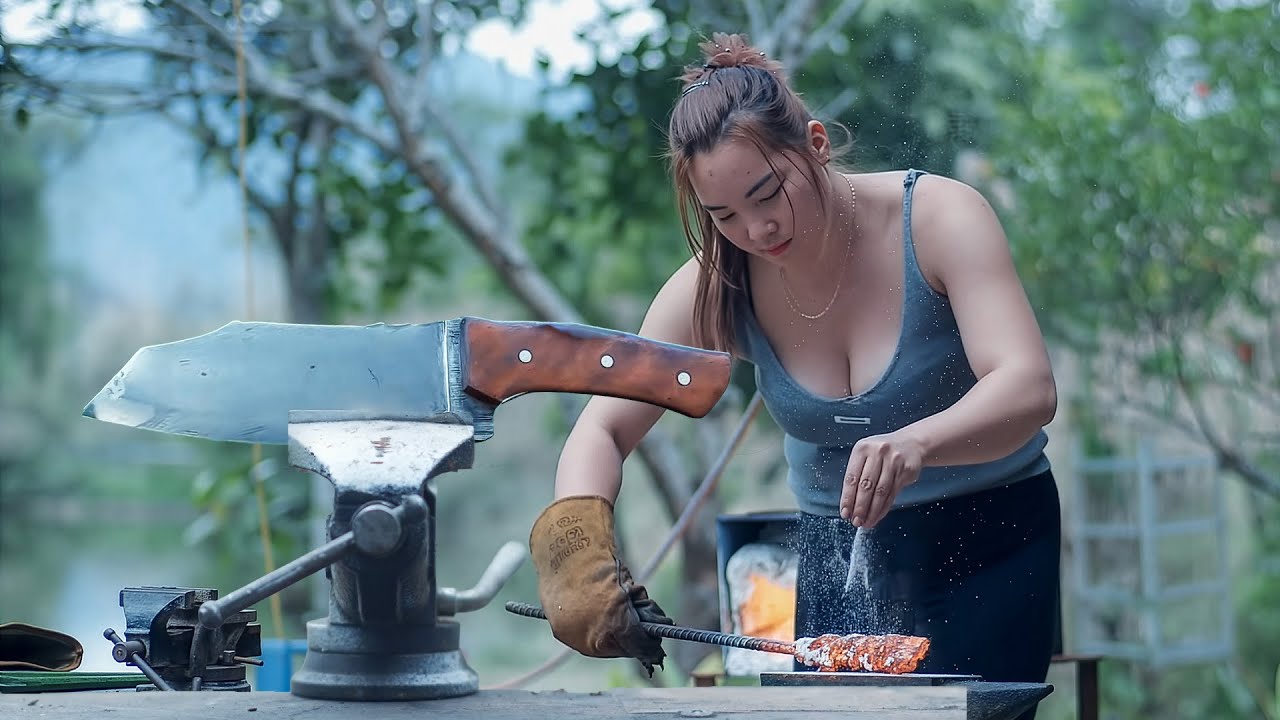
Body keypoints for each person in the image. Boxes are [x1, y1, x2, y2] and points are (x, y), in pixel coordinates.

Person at [527, 31, 1061, 711]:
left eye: (767, 193)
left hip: (992, 539)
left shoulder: (938, 219)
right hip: (833, 557)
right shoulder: (715, 287)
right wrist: (575, 555)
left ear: (814, 143)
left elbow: (1029, 386)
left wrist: (918, 443)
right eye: (723, 216)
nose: (756, 229)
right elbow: (602, 426)